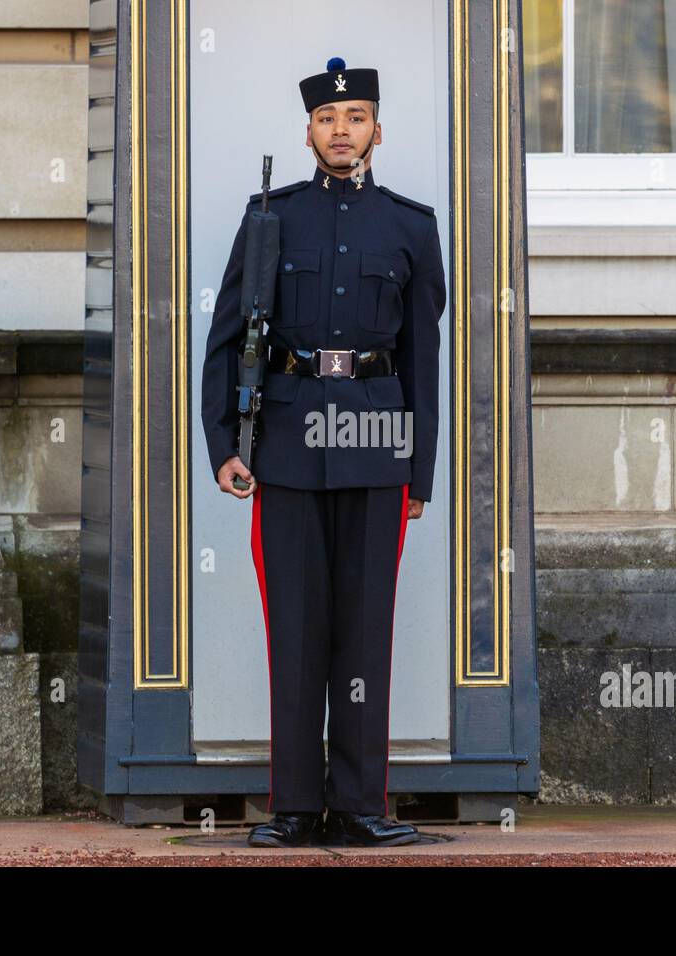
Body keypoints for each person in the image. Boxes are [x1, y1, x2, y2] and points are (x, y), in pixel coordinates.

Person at [200, 57, 447, 847]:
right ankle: (297, 808)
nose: (342, 132)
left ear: (378, 130)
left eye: (357, 119)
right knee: (297, 630)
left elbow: (423, 357)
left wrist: (421, 469)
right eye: (328, 121)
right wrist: (222, 446)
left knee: (365, 629)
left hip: (378, 443)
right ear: (308, 131)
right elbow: (227, 340)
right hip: (290, 443)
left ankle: (362, 806)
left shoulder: (411, 226)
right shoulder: (270, 218)